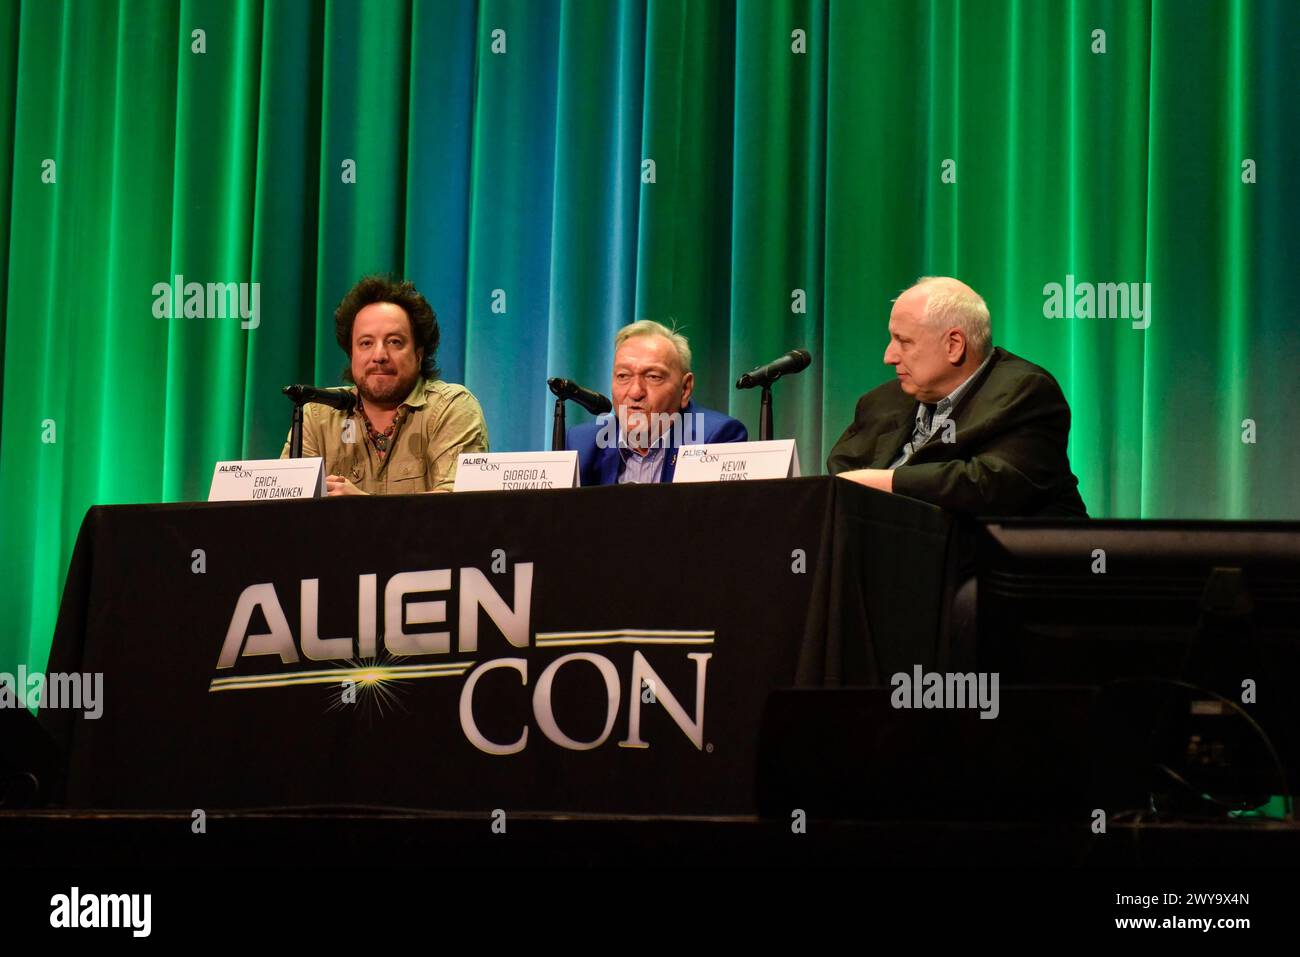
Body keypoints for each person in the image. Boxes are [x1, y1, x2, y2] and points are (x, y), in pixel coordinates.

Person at [827, 276, 1087, 518]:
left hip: (1005, 563)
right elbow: (841, 473)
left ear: (953, 345)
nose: (889, 356)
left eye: (903, 341)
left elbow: (990, 484)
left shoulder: (1025, 391)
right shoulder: (881, 401)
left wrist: (883, 482)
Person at [281, 275, 488, 494]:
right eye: (366, 343)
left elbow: (457, 512)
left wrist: (362, 509)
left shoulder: (451, 408)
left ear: (419, 354)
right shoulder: (318, 415)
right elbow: (286, 509)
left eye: (394, 342)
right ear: (352, 354)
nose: (379, 355)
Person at [567, 320, 747, 485]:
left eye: (653, 377)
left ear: (685, 389)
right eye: (623, 376)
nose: (635, 392)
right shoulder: (583, 444)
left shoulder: (715, 439)